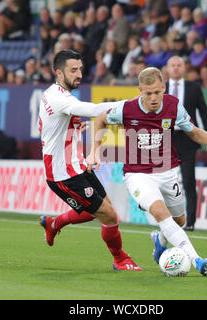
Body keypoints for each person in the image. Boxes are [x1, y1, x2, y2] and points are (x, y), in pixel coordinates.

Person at [88, 66, 207, 276]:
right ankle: (197, 260)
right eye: (148, 93)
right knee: (161, 213)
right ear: (140, 91)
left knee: (179, 221)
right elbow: (101, 118)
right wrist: (94, 151)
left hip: (167, 171)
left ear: (163, 87)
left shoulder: (173, 106)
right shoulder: (126, 109)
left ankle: (160, 240)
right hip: (138, 175)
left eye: (157, 92)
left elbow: (194, 132)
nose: (153, 98)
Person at [38, 49, 141, 271]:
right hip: (62, 174)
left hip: (77, 166)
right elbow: (94, 110)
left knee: (104, 208)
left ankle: (54, 223)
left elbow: (55, 125)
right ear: (58, 72)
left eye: (80, 69)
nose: (79, 74)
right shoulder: (58, 98)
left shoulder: (56, 94)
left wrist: (74, 127)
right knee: (108, 213)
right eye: (73, 70)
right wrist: (130, 103)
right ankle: (120, 259)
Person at [165, 56, 207, 231]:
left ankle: (191, 221)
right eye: (173, 65)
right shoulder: (160, 88)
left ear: (185, 68)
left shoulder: (193, 88)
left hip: (188, 139)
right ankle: (166, 219)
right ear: (167, 69)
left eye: (179, 65)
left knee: (188, 180)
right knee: (164, 180)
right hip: (166, 139)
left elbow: (204, 112)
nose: (176, 68)